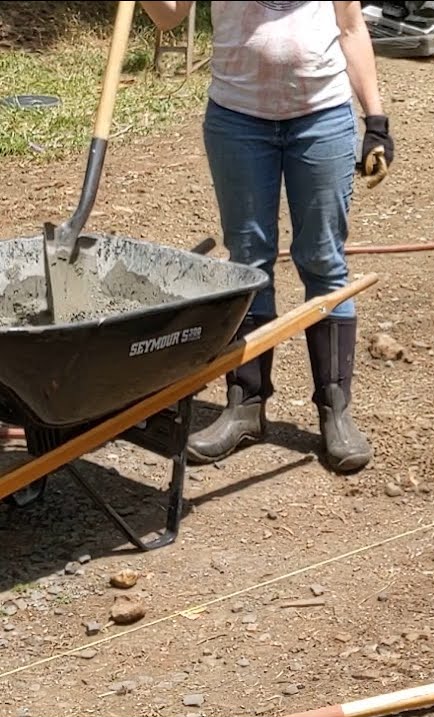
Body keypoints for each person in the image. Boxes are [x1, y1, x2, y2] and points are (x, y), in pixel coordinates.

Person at [139, 1, 394, 472]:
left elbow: (351, 25)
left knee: (324, 261)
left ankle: (335, 410)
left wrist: (375, 120)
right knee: (248, 262)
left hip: (321, 116)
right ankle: (246, 405)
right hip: (237, 118)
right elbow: (169, 15)